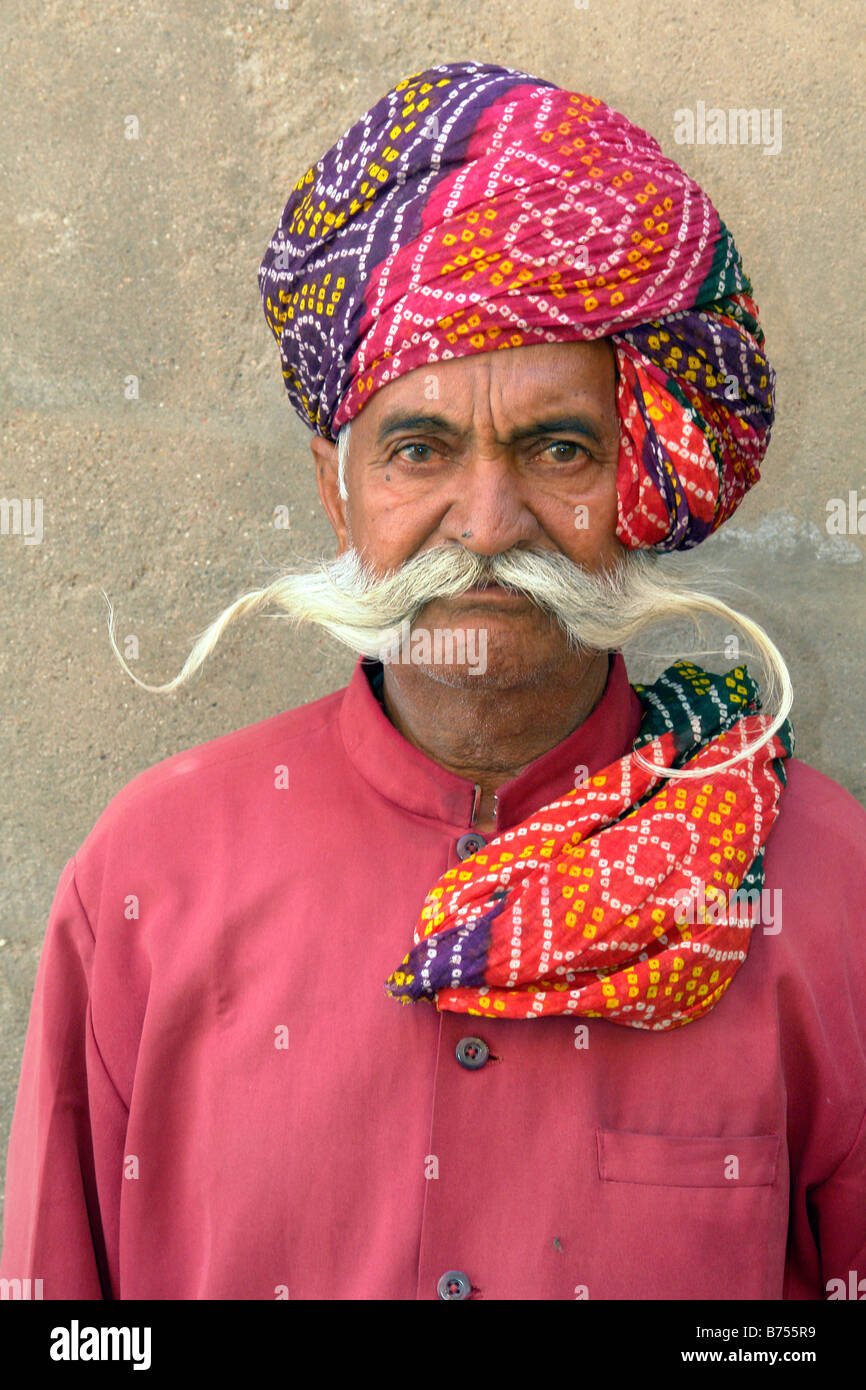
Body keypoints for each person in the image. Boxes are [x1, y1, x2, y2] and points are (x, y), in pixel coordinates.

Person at [2, 60, 864, 1302]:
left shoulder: (818, 889)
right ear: (334, 486)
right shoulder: (148, 876)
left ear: (638, 484)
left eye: (556, 448)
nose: (486, 520)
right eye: (419, 449)